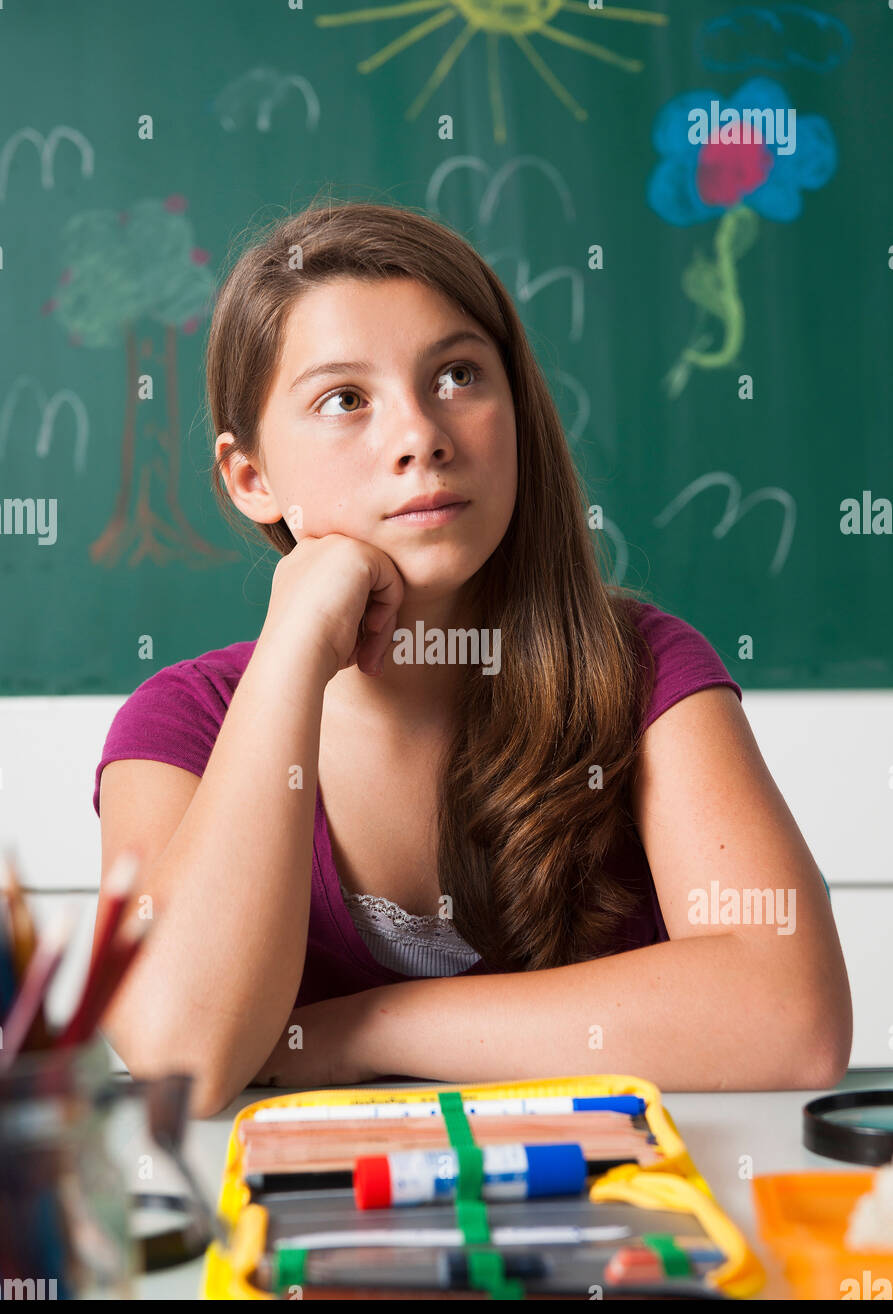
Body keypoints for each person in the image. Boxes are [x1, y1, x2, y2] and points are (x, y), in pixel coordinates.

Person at [92, 198, 851, 1117]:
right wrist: (292, 645)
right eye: (344, 400)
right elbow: (181, 1056)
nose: (421, 436)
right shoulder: (179, 724)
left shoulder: (645, 669)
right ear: (252, 479)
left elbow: (791, 1016)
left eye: (456, 375)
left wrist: (359, 1031)